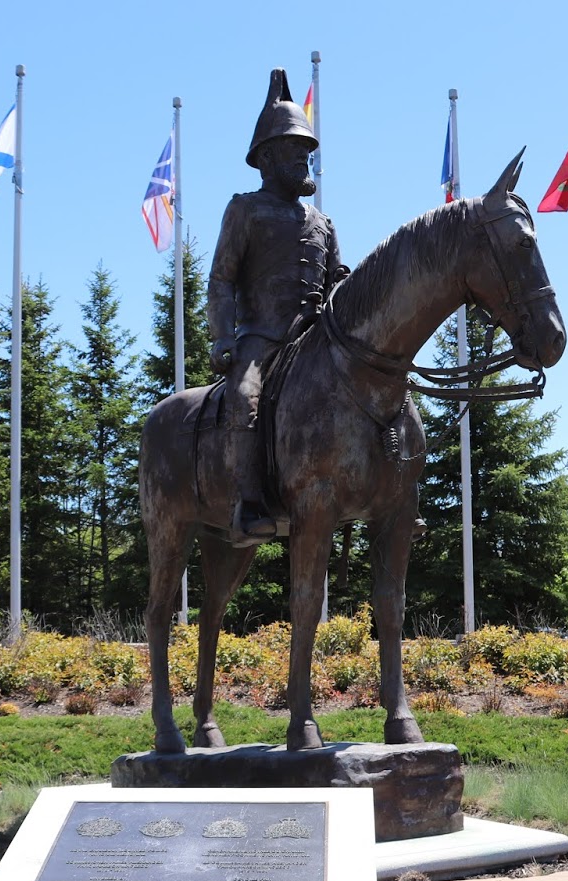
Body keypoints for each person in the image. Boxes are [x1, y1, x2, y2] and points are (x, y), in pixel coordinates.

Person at [207, 68, 345, 545]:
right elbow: (222, 279)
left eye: (308, 150)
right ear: (267, 157)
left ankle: (385, 494)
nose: (305, 158)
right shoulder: (244, 209)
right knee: (244, 398)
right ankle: (248, 504)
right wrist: (224, 337)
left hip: (315, 345)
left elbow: (336, 283)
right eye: (294, 150)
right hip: (261, 340)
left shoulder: (323, 222)